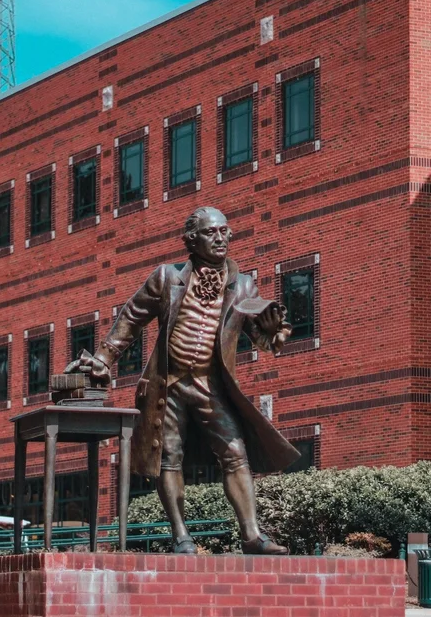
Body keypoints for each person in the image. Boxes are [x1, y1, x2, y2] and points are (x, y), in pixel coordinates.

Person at [65, 207, 301, 555]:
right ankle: (181, 536)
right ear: (192, 240)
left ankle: (252, 535)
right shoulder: (166, 277)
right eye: (211, 232)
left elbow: (258, 335)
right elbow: (132, 317)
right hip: (168, 384)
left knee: (236, 453)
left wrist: (273, 335)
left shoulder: (245, 284)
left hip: (212, 385)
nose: (220, 238)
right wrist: (103, 359)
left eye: (224, 231)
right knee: (168, 457)